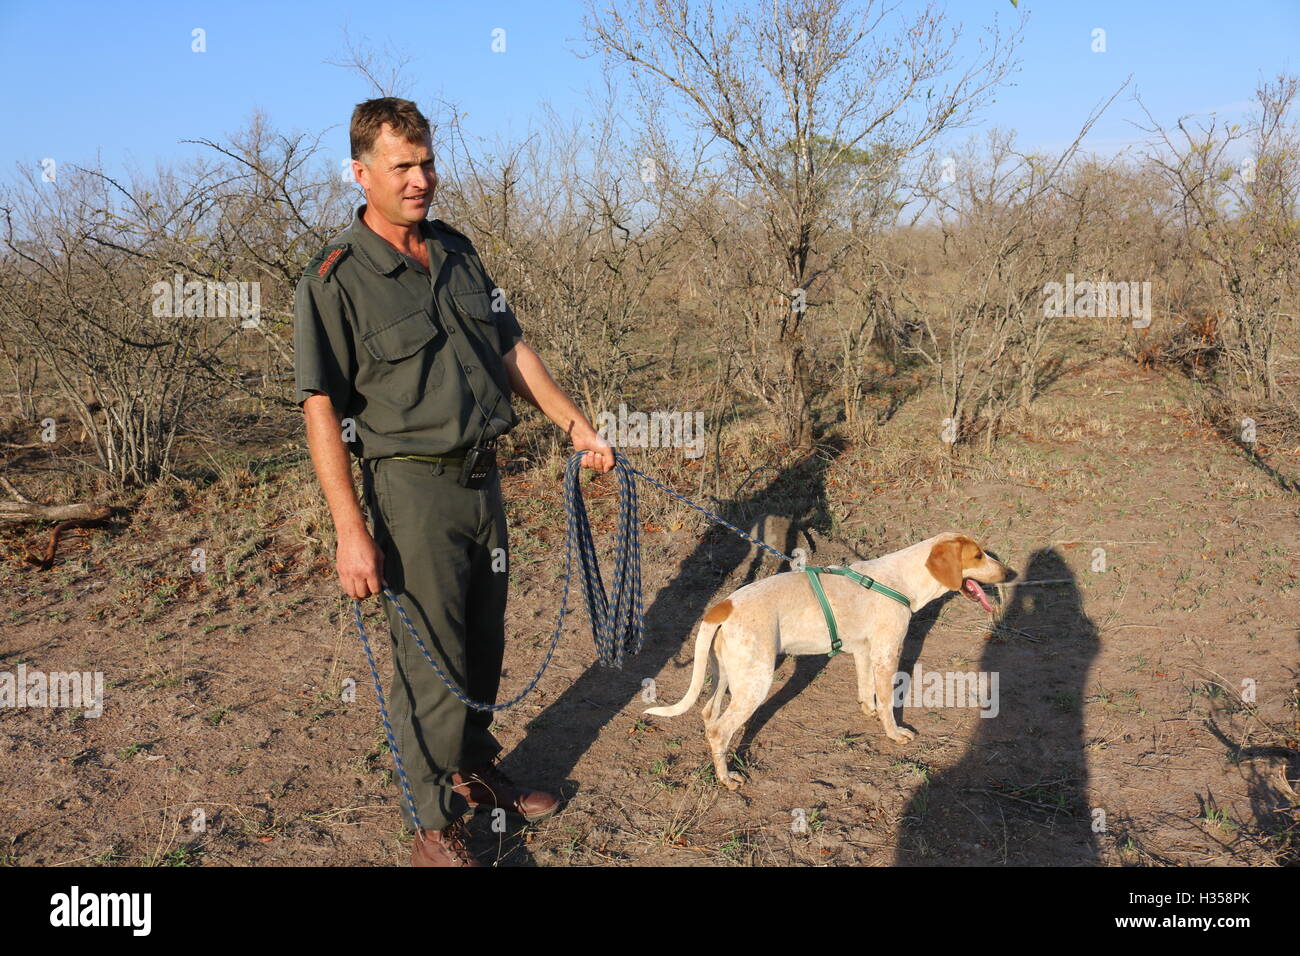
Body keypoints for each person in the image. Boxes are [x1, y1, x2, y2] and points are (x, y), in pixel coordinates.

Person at [293, 97, 614, 867]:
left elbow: (512, 349)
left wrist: (574, 424)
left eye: (427, 161)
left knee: (481, 643)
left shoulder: (459, 251)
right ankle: (432, 826)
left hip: (483, 481)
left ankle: (474, 769)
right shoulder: (335, 279)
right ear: (360, 172)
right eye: (401, 165)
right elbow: (320, 407)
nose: (419, 179)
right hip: (410, 492)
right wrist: (350, 530)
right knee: (429, 664)